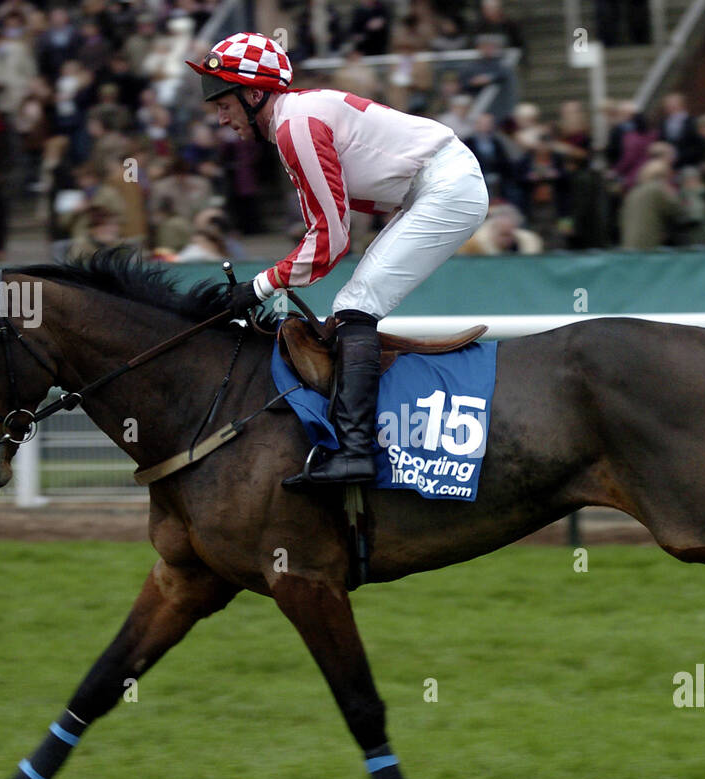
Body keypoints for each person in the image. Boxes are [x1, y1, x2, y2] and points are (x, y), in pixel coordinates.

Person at [187, 32, 489, 486]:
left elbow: (330, 241)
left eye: (224, 102)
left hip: (446, 188)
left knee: (355, 307)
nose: (220, 117)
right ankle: (355, 445)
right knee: (353, 307)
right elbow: (323, 231)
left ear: (253, 94)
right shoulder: (294, 123)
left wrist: (258, 287)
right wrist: (270, 282)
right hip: (436, 187)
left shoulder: (296, 128)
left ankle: (355, 452)